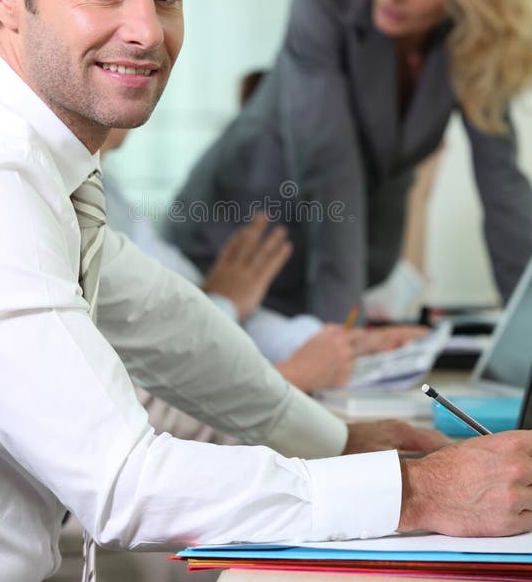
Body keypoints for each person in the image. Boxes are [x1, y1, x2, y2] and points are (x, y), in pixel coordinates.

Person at [0, 0, 532, 582]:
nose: (146, 31)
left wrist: (335, 437)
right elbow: (126, 484)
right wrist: (419, 493)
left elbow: (170, 328)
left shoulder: (36, 168)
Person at [165, 0, 532, 323]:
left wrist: (530, 331)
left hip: (344, 269)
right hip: (230, 248)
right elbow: (329, 167)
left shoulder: (471, 47)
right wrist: (340, 331)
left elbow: (504, 188)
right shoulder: (324, 0)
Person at [102, 127, 428, 398]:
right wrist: (292, 374)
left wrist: (337, 345)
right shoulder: (69, 207)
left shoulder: (108, 191)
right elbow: (157, 390)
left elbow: (203, 308)